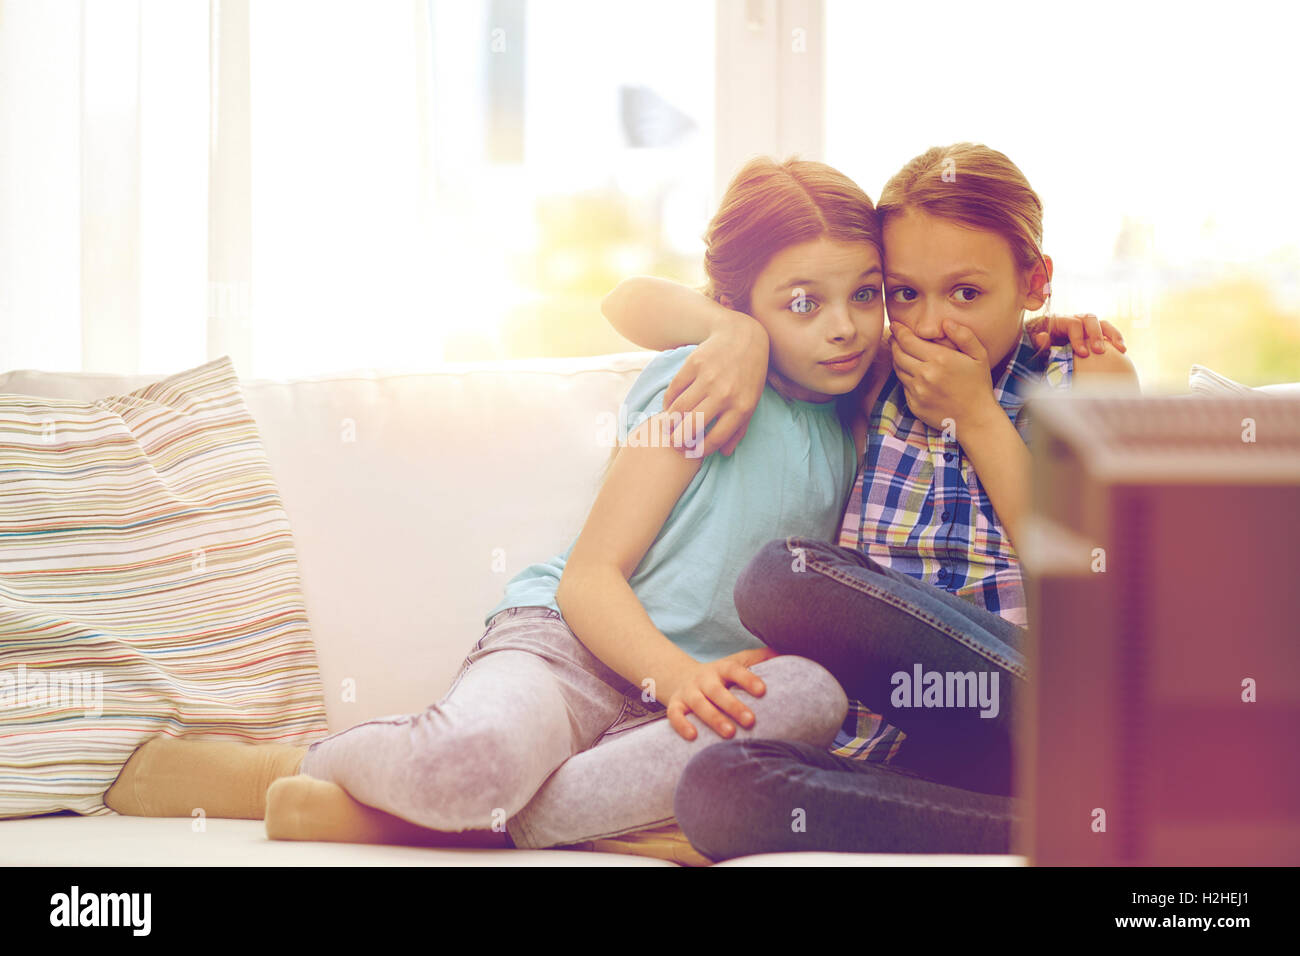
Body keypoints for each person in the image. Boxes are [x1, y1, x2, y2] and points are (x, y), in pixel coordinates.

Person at [104, 156, 896, 855]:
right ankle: (299, 770)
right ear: (740, 304)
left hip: (690, 706)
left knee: (815, 697)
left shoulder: (862, 410)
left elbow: (972, 330)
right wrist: (733, 335)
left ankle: (467, 817)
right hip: (577, 651)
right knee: (469, 766)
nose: (844, 328)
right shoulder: (710, 383)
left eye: (865, 294)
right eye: (802, 303)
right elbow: (589, 578)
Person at [602, 142, 1140, 859]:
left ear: (1036, 282)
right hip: (902, 744)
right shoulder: (874, 365)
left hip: (1038, 708)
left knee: (783, 578)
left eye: (968, 293)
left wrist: (978, 416)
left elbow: (1088, 572)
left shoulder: (1089, 377)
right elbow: (625, 302)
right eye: (904, 293)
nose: (932, 322)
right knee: (721, 787)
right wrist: (733, 328)